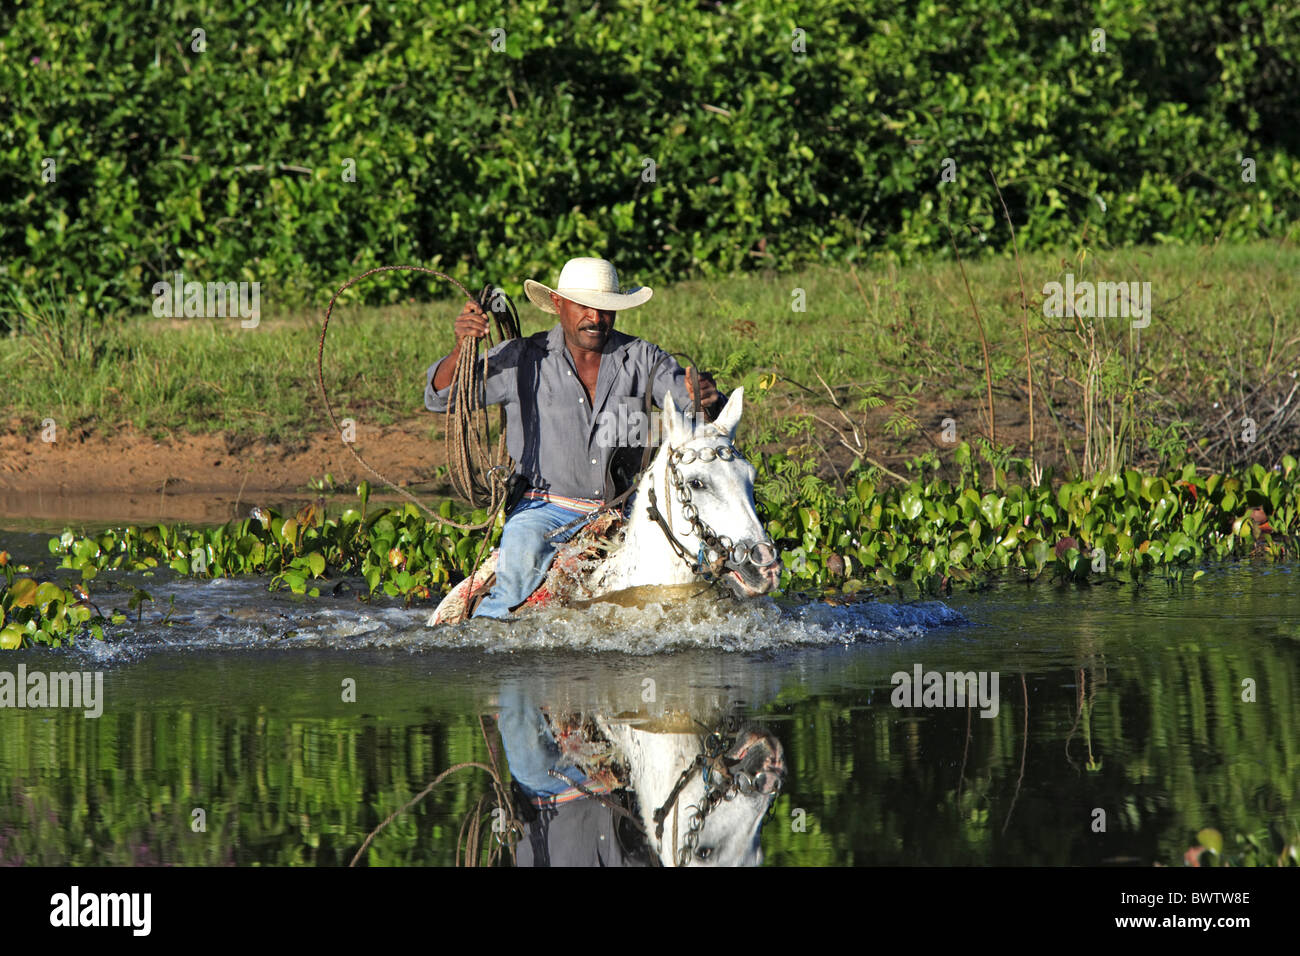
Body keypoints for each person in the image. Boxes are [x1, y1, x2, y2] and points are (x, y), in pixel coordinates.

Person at [424, 257, 723, 619]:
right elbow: (441, 397)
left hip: (623, 506)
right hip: (544, 508)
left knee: (697, 564)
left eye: (606, 310)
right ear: (558, 305)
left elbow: (692, 411)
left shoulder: (644, 359)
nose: (596, 318)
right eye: (585, 306)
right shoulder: (523, 359)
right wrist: (461, 350)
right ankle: (492, 628)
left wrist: (706, 398)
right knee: (517, 577)